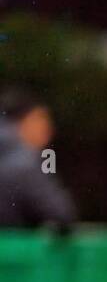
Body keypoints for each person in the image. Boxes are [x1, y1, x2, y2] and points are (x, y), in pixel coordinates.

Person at [0, 86, 77, 231]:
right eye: (41, 118)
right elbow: (61, 213)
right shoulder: (24, 162)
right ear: (24, 121)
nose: (48, 129)